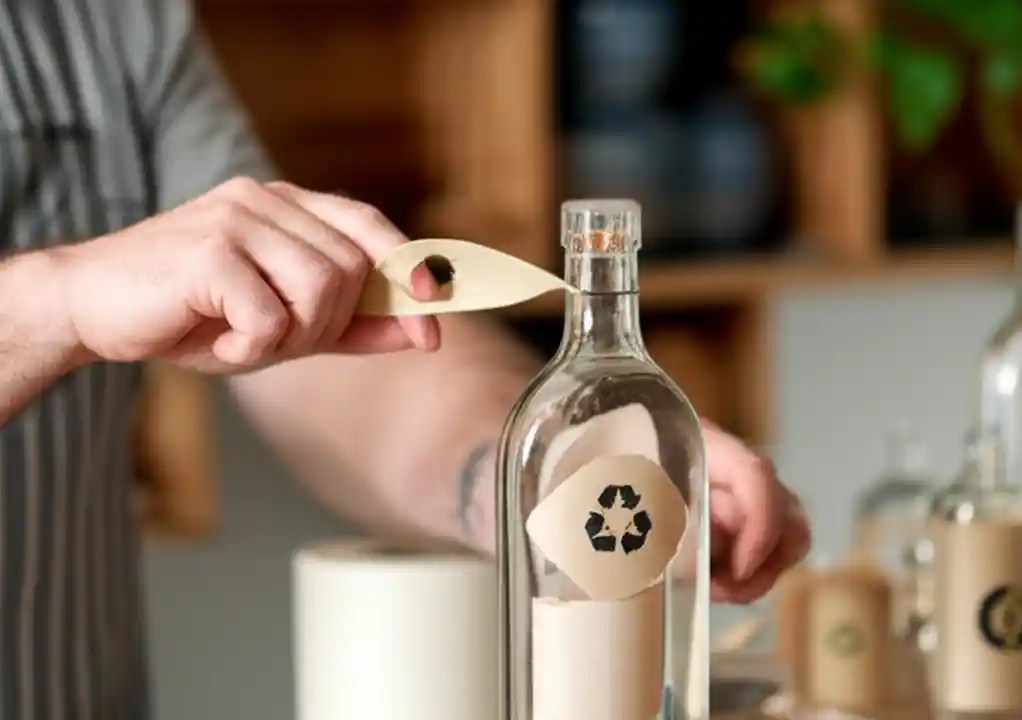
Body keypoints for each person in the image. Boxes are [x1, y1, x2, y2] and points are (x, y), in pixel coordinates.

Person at [0, 1, 810, 718]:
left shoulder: (115, 18)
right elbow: (83, 299)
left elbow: (304, 334)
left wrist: (542, 485)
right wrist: (53, 303)